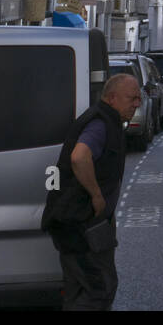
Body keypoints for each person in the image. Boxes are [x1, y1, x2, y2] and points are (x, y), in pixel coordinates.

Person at [41, 73, 141, 311]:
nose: (137, 103)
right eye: (131, 98)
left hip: (77, 222)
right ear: (112, 98)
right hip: (80, 224)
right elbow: (79, 156)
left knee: (78, 289)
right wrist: (96, 195)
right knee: (100, 289)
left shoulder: (108, 119)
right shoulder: (100, 123)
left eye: (139, 98)